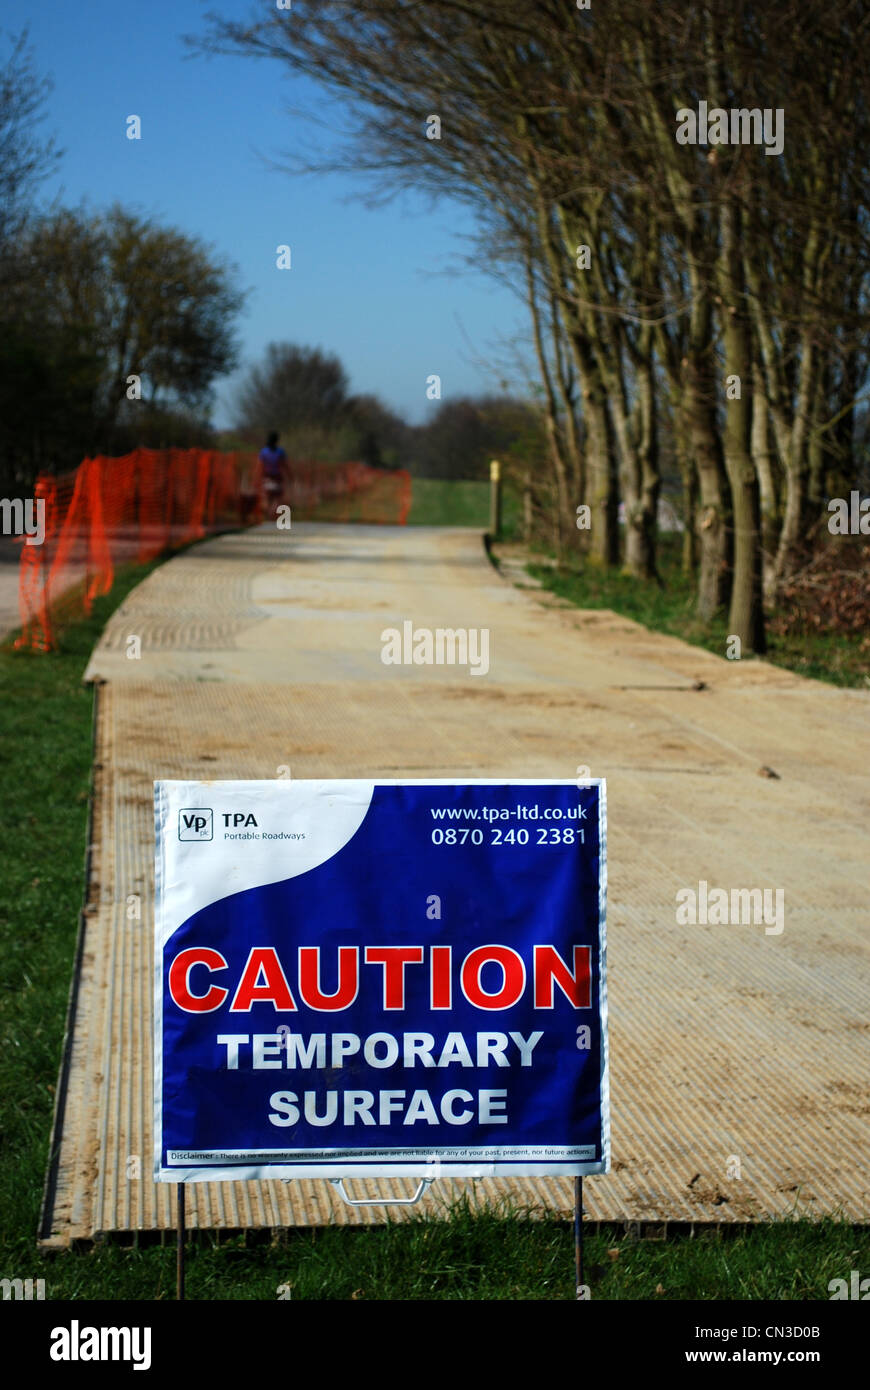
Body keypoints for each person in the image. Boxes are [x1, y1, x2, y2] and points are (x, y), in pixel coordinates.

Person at [257, 431, 291, 519]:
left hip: (267, 477)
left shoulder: (263, 452)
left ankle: (269, 514)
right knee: (277, 497)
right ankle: (273, 514)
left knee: (268, 497)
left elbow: (260, 466)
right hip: (277, 477)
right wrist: (290, 476)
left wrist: (258, 478)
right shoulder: (280, 451)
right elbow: (285, 465)